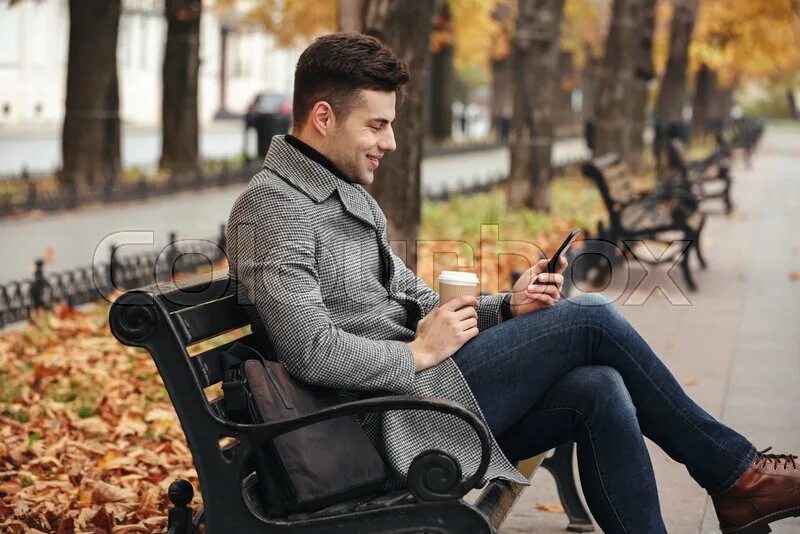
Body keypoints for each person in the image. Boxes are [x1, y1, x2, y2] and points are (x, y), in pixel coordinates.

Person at [226, 32, 799, 534]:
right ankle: (736, 475)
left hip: (420, 392)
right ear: (322, 117)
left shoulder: (344, 194)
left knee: (597, 387)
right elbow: (311, 351)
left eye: (391, 125)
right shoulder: (271, 209)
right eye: (376, 125)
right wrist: (419, 351)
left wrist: (507, 307)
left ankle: (716, 495)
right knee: (593, 318)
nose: (390, 142)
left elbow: (419, 301)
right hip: (377, 421)